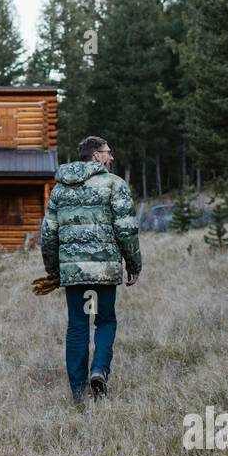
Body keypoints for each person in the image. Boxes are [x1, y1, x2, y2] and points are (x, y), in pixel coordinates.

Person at [39, 136, 142, 405]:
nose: (111, 157)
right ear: (96, 156)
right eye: (108, 152)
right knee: (105, 321)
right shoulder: (114, 185)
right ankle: (99, 371)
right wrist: (133, 264)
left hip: (74, 273)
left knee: (77, 326)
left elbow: (48, 233)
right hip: (104, 270)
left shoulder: (60, 189)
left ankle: (78, 393)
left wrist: (54, 271)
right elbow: (126, 228)